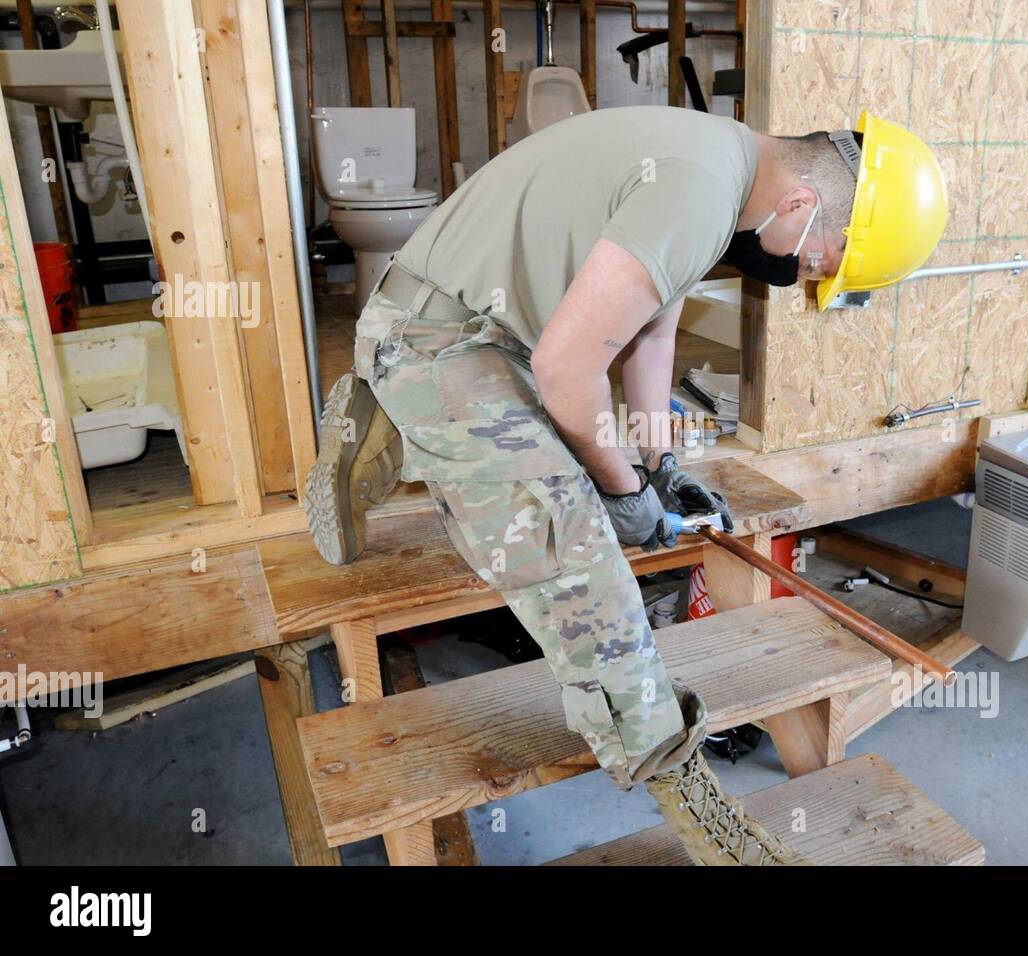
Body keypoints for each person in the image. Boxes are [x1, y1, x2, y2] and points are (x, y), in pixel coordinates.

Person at [305, 105, 946, 865]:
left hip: (482, 324)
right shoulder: (700, 189)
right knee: (569, 540)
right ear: (802, 206)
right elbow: (567, 371)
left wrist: (658, 467)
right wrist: (619, 493)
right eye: (825, 260)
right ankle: (682, 786)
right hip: (439, 342)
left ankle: (373, 426)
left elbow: (651, 335)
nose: (812, 274)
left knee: (591, 459)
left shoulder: (721, 169)